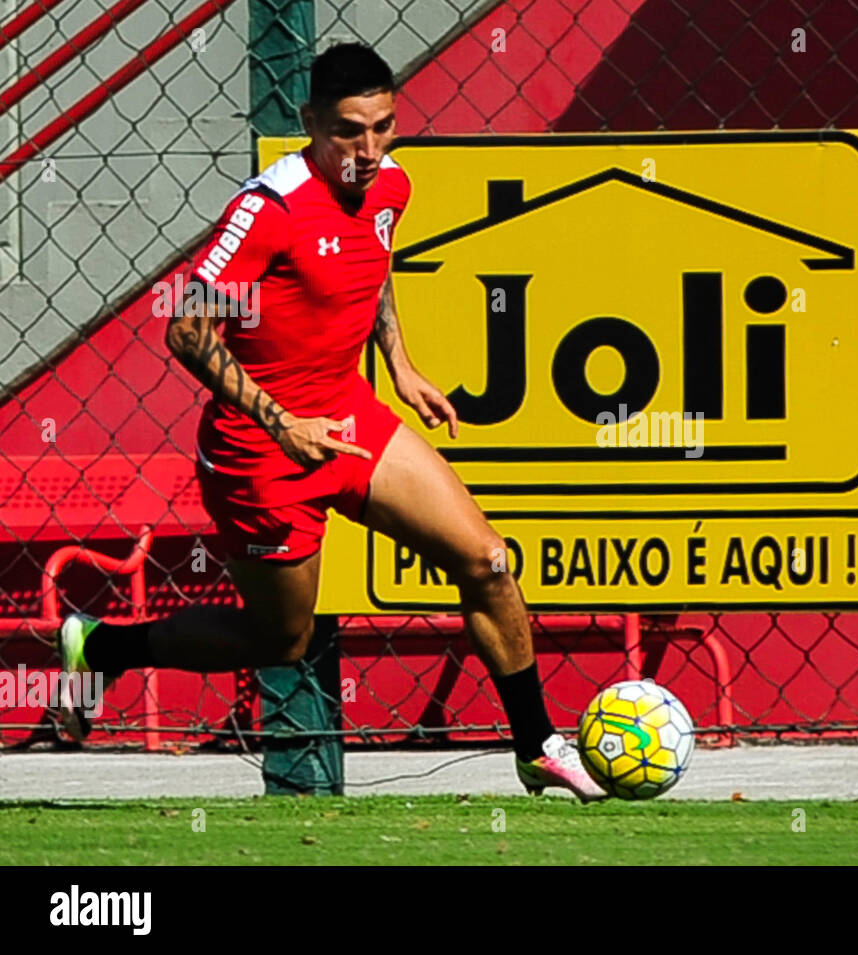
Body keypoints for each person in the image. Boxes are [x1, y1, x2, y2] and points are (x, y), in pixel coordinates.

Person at [57, 41, 604, 802]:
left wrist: (401, 364)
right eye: (350, 130)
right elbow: (186, 328)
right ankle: (105, 646)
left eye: (383, 126)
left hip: (350, 416)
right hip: (261, 450)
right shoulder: (270, 208)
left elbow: (373, 266)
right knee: (281, 639)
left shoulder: (391, 184)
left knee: (487, 561)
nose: (369, 150)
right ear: (311, 121)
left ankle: (536, 743)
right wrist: (282, 423)